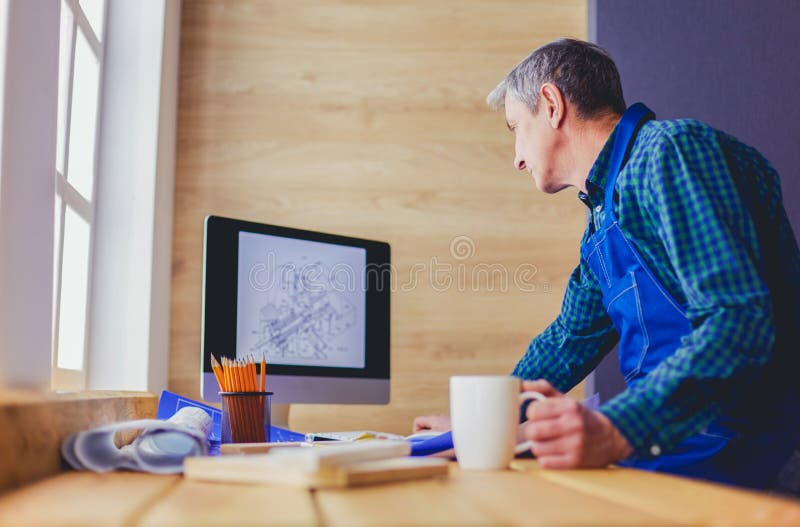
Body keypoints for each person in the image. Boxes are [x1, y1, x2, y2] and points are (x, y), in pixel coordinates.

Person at [413, 38, 800, 492]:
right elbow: (568, 338)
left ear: (551, 104)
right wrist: (482, 424)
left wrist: (617, 429)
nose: (517, 158)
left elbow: (739, 322)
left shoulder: (670, 152)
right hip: (675, 444)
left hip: (751, 450)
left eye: (515, 127)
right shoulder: (604, 213)